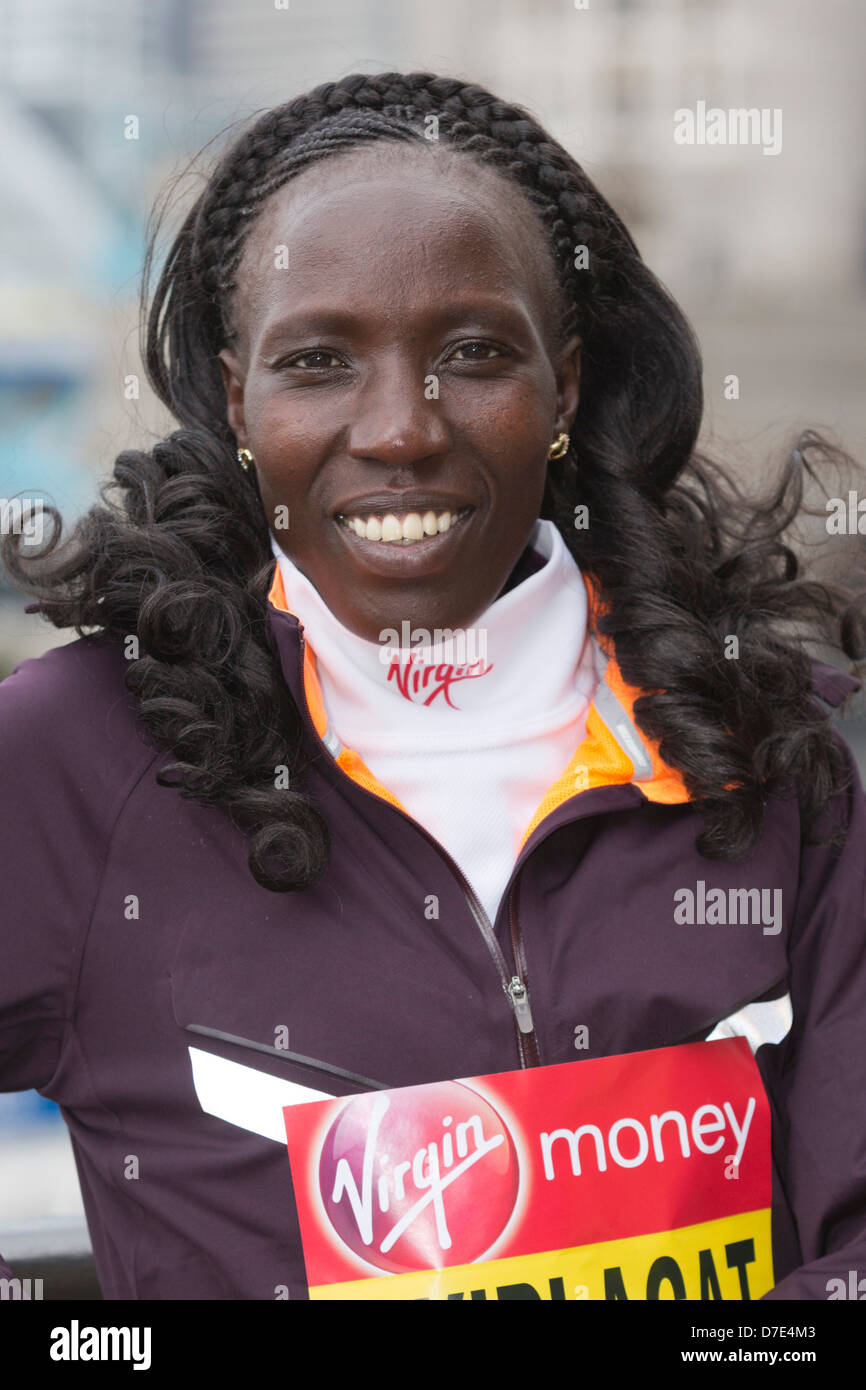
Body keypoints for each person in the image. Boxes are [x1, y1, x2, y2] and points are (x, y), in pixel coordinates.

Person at [1, 70, 864, 1301]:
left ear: (560, 386)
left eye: (471, 352)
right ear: (235, 396)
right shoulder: (78, 761)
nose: (401, 428)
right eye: (317, 360)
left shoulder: (774, 745)